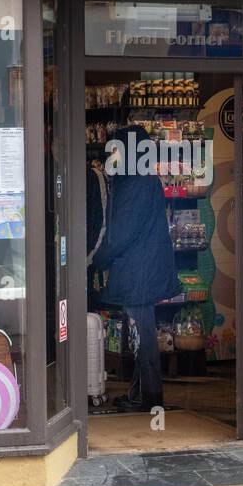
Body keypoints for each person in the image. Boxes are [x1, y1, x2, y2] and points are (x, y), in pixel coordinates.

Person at [92, 124, 180, 411]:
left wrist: (99, 258)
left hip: (138, 271)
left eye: (116, 150)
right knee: (140, 333)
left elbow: (121, 233)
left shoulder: (136, 182)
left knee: (141, 335)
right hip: (143, 268)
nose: (111, 156)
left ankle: (149, 399)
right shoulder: (139, 178)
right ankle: (141, 395)